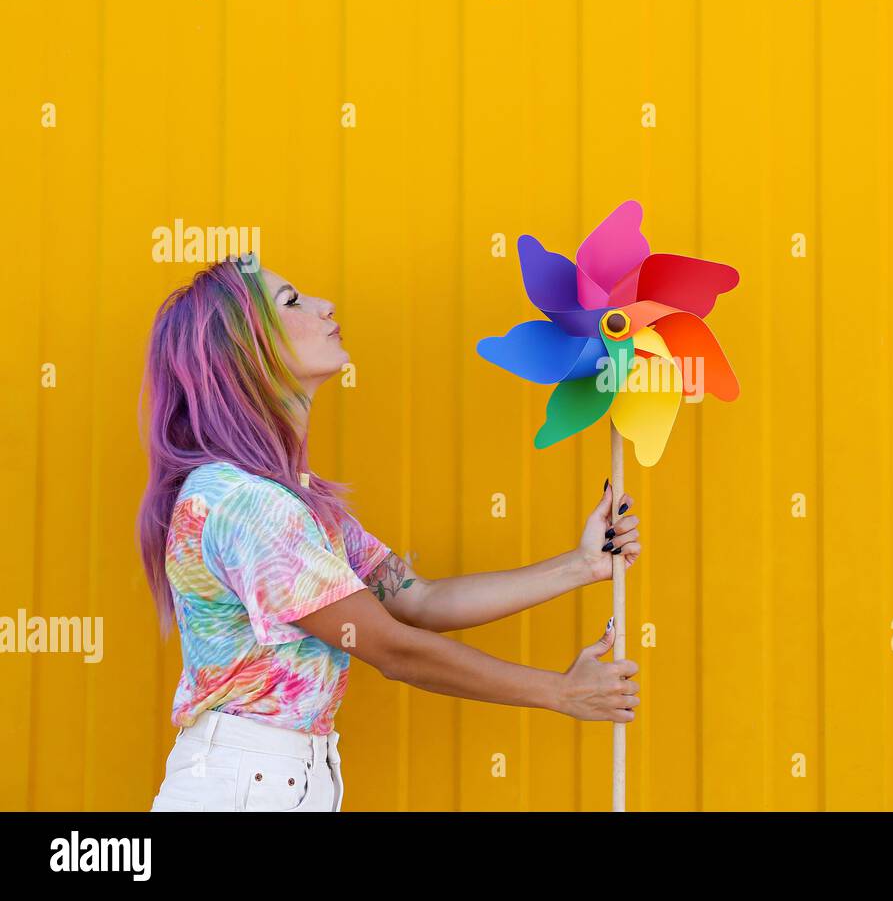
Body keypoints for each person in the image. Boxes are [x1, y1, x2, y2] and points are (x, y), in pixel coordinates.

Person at [137, 254, 641, 811]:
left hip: (280, 781)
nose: (325, 306)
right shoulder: (244, 504)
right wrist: (559, 691)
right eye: (292, 301)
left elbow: (417, 600)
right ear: (242, 351)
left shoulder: (294, 501)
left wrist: (581, 565)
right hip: (245, 785)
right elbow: (396, 650)